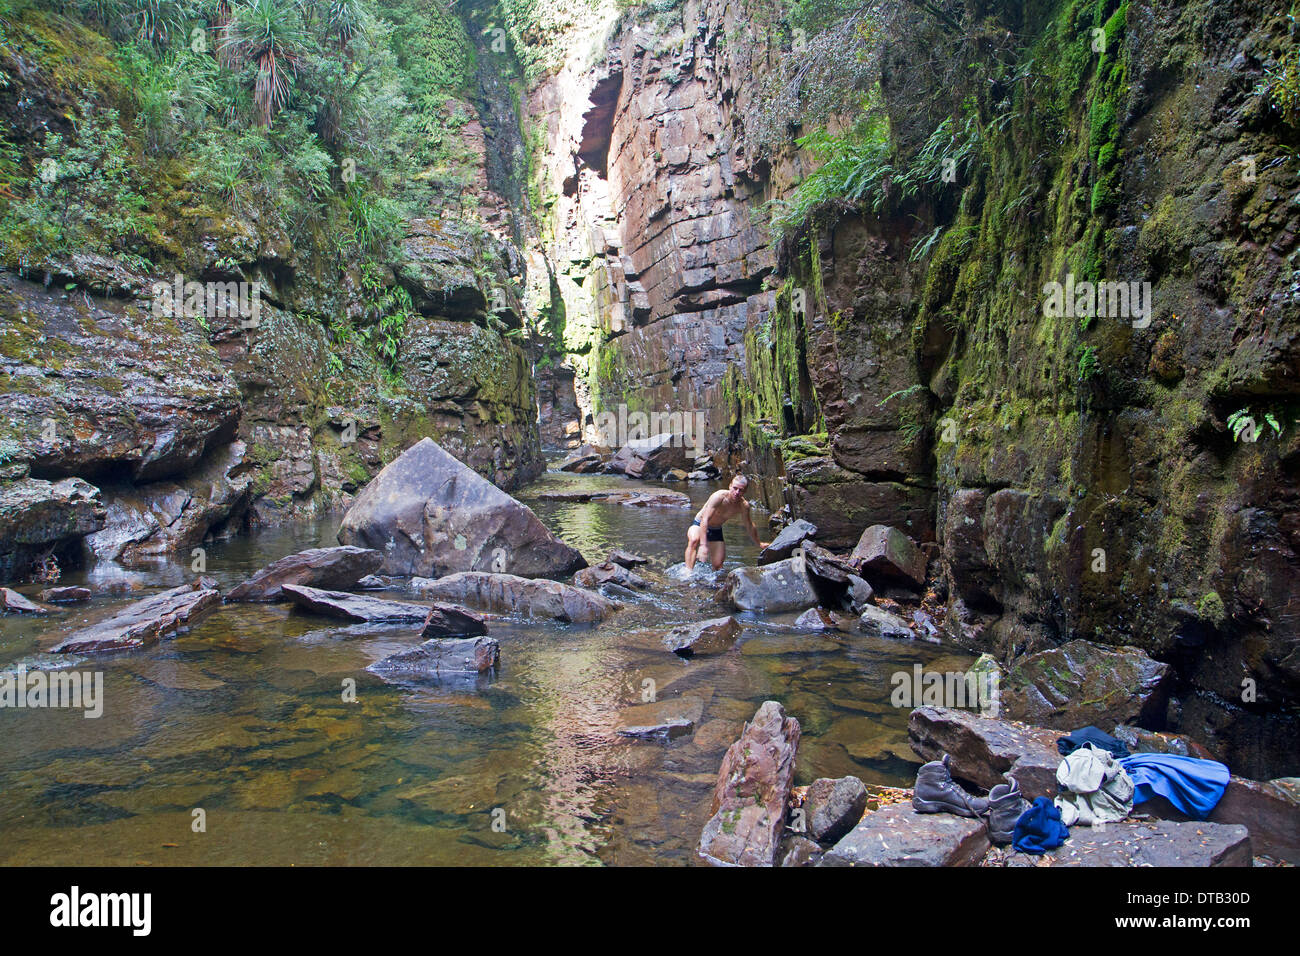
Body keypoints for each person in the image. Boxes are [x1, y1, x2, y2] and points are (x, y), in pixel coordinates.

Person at [684, 474, 768, 571]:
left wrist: (759, 543)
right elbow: (705, 519)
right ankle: (688, 573)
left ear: (745, 491)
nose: (737, 492)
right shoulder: (719, 497)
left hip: (716, 529)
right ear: (730, 486)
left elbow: (749, 525)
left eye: (740, 490)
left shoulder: (743, 506)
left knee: (718, 565)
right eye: (735, 488)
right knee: (694, 540)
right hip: (700, 523)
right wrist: (703, 546)